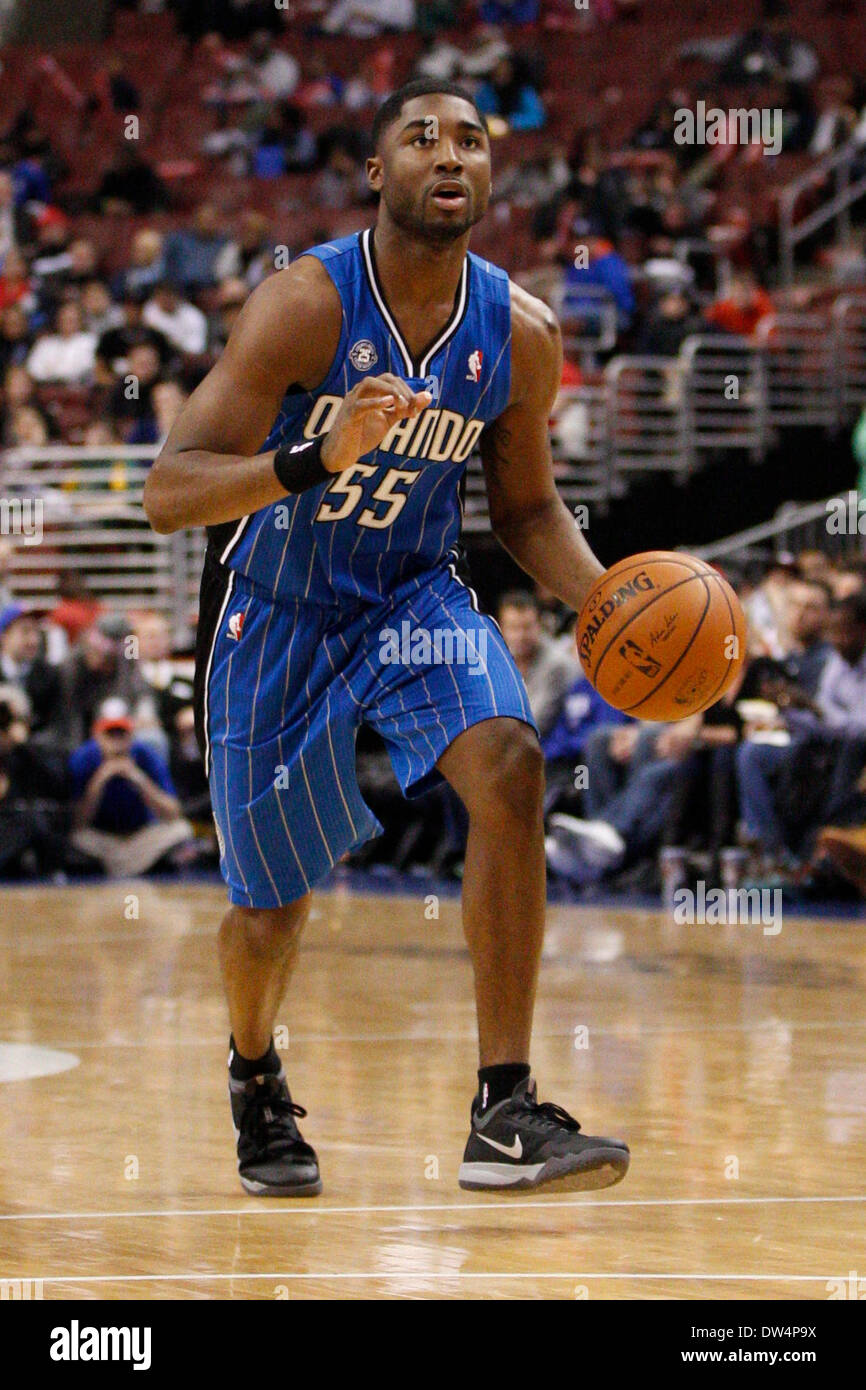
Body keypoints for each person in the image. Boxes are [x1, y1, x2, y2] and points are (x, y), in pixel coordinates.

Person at [144, 78, 630, 1199]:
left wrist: (605, 605)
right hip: (278, 604)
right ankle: (254, 1071)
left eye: (469, 138)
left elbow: (524, 511)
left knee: (509, 765)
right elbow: (167, 493)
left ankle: (502, 1107)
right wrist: (314, 457)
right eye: (420, 137)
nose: (447, 152)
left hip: (411, 599)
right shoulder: (306, 304)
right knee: (269, 911)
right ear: (375, 174)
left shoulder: (518, 333)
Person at [68, 699, 197, 879]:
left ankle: (119, 867)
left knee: (181, 830)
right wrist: (99, 781)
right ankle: (130, 866)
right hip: (102, 839)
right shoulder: (83, 759)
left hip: (139, 837)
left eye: (121, 733)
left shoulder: (146, 755)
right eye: (110, 733)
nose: (116, 740)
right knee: (76, 839)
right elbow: (78, 823)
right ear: (97, 734)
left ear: (131, 733)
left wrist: (139, 780)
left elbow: (174, 813)